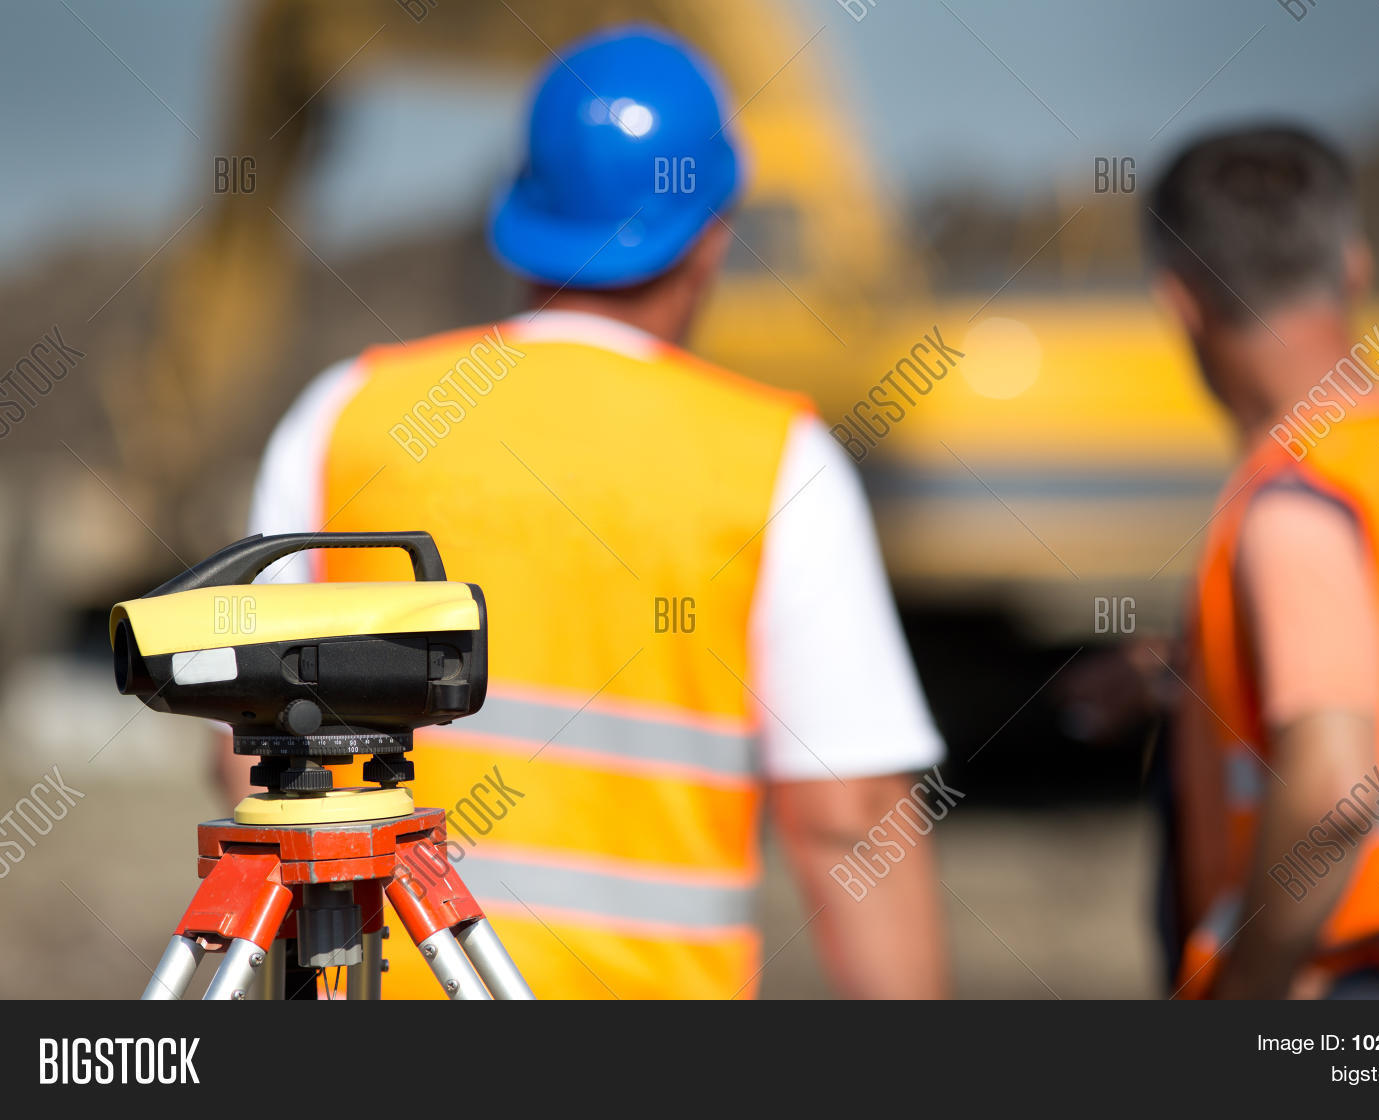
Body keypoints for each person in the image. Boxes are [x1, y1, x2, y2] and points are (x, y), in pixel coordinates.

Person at [232, 25, 949, 999]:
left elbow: (251, 755)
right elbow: (849, 817)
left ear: (516, 212)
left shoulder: (343, 417)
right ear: (713, 231)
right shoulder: (777, 461)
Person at [1145, 124, 1379, 999]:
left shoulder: (1299, 500)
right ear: (1355, 266)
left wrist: (1248, 995)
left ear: (1179, 302)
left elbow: (1336, 792)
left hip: (1374, 990)